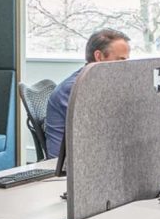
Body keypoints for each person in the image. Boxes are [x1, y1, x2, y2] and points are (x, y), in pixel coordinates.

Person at [44, 28, 131, 161]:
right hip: (73, 167)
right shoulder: (74, 89)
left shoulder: (101, 84)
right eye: (120, 60)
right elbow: (102, 133)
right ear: (99, 56)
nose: (126, 67)